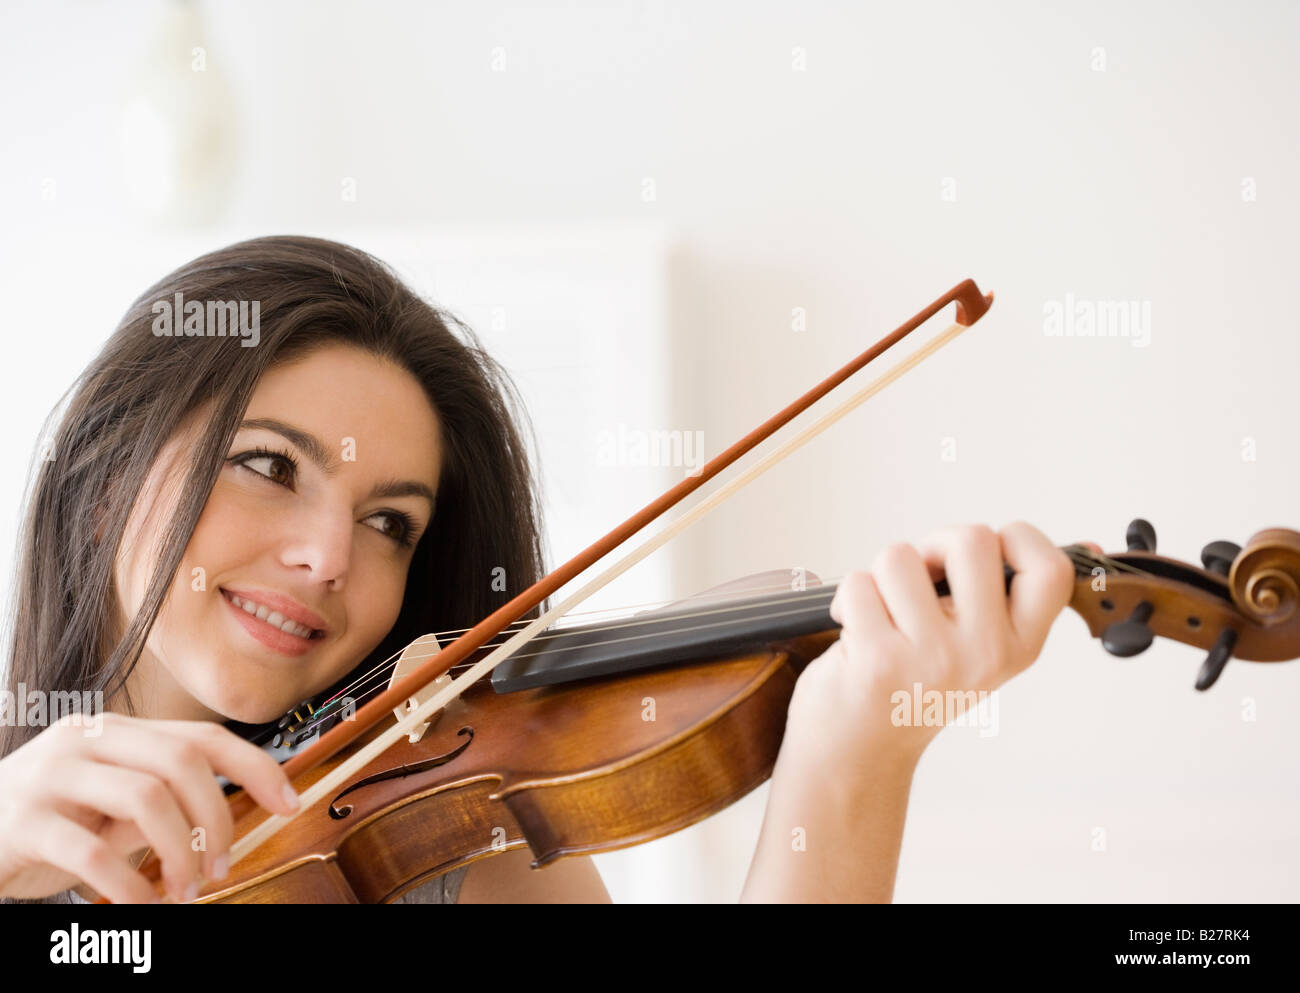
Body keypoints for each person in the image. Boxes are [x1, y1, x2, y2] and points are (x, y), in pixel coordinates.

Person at [0, 235, 1078, 904]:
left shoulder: (451, 858)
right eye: (269, 465)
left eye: (391, 522)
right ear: (104, 479)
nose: (329, 557)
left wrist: (855, 760)